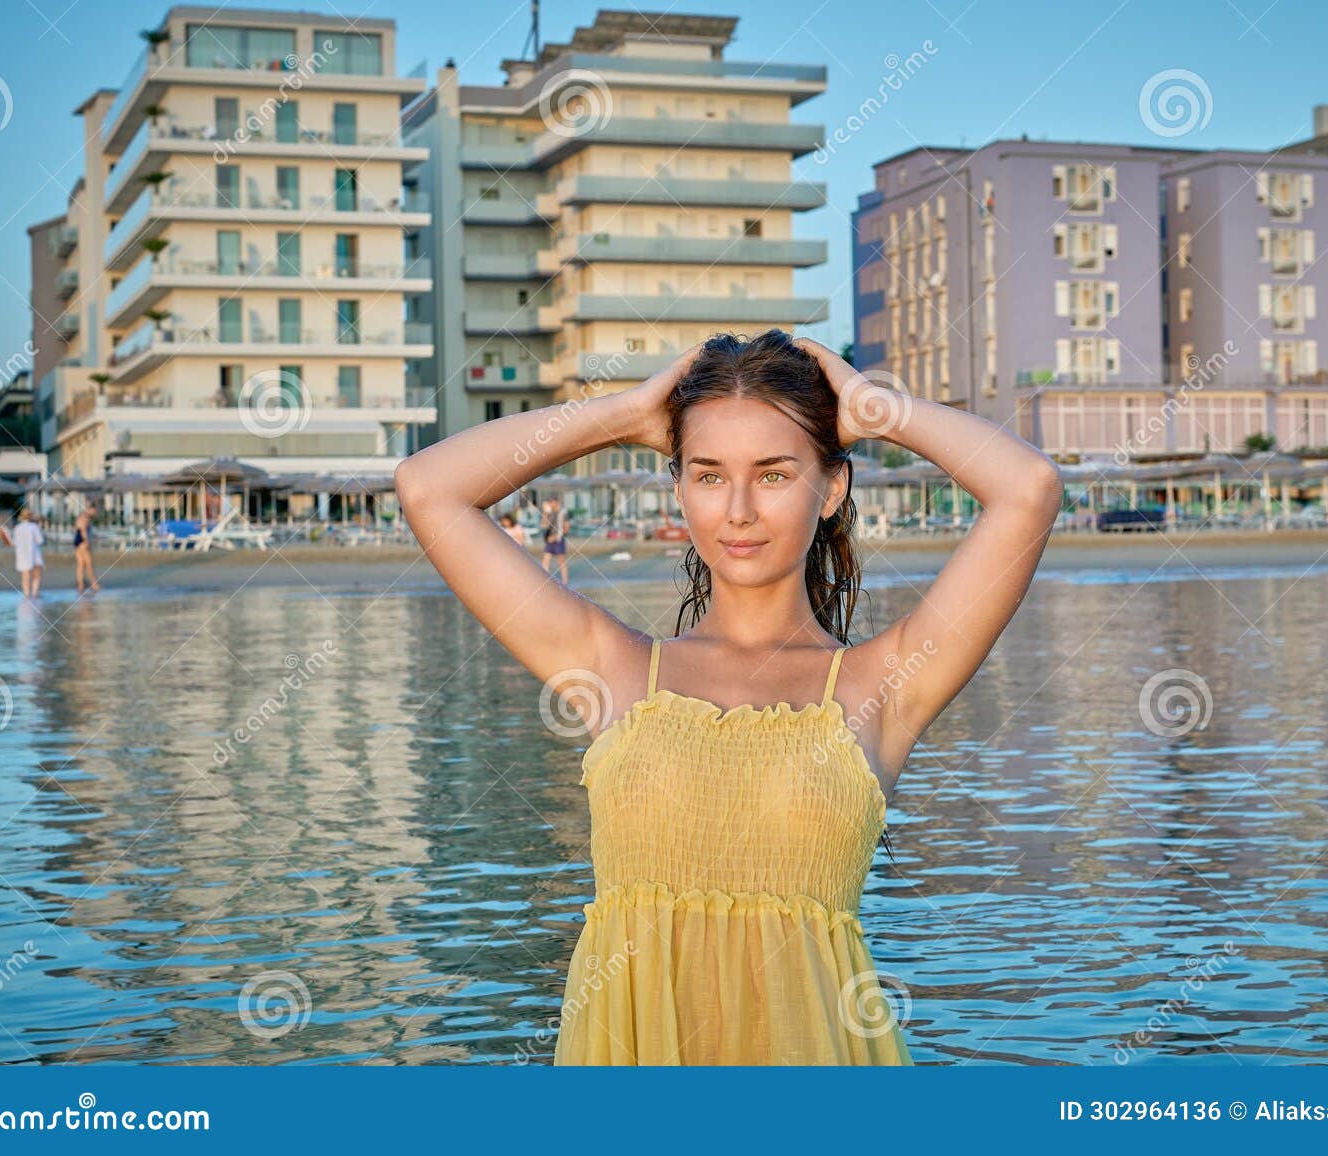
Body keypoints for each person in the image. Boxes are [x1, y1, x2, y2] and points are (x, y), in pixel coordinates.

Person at [395, 329, 1062, 1065]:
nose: (738, 510)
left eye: (774, 475)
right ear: (677, 484)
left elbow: (1026, 489)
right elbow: (430, 488)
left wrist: (871, 407)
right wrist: (624, 414)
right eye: (709, 475)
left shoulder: (885, 686)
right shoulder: (611, 667)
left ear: (832, 486)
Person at [0, 506, 46, 599]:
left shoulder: (17, 528)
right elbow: (40, 541)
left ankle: (27, 594)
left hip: (22, 555)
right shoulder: (34, 527)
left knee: (25, 576)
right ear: (31, 517)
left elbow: (13, 543)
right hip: (34, 554)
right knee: (37, 575)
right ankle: (35, 593)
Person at [539, 496, 569, 584]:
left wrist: (555, 537)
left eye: (551, 503)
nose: (550, 505)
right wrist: (545, 512)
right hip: (549, 540)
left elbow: (566, 528)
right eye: (549, 503)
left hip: (559, 539)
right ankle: (545, 580)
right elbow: (543, 524)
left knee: (561, 561)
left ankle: (565, 582)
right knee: (545, 560)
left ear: (556, 502)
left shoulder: (563, 512)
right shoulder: (549, 512)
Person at [73, 503, 101, 594]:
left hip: (77, 544)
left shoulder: (80, 517)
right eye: (95, 511)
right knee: (89, 564)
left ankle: (80, 585)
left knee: (81, 565)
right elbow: (83, 530)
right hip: (83, 544)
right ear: (91, 509)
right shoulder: (85, 518)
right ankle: (94, 584)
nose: (95, 513)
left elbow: (75, 529)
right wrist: (87, 542)